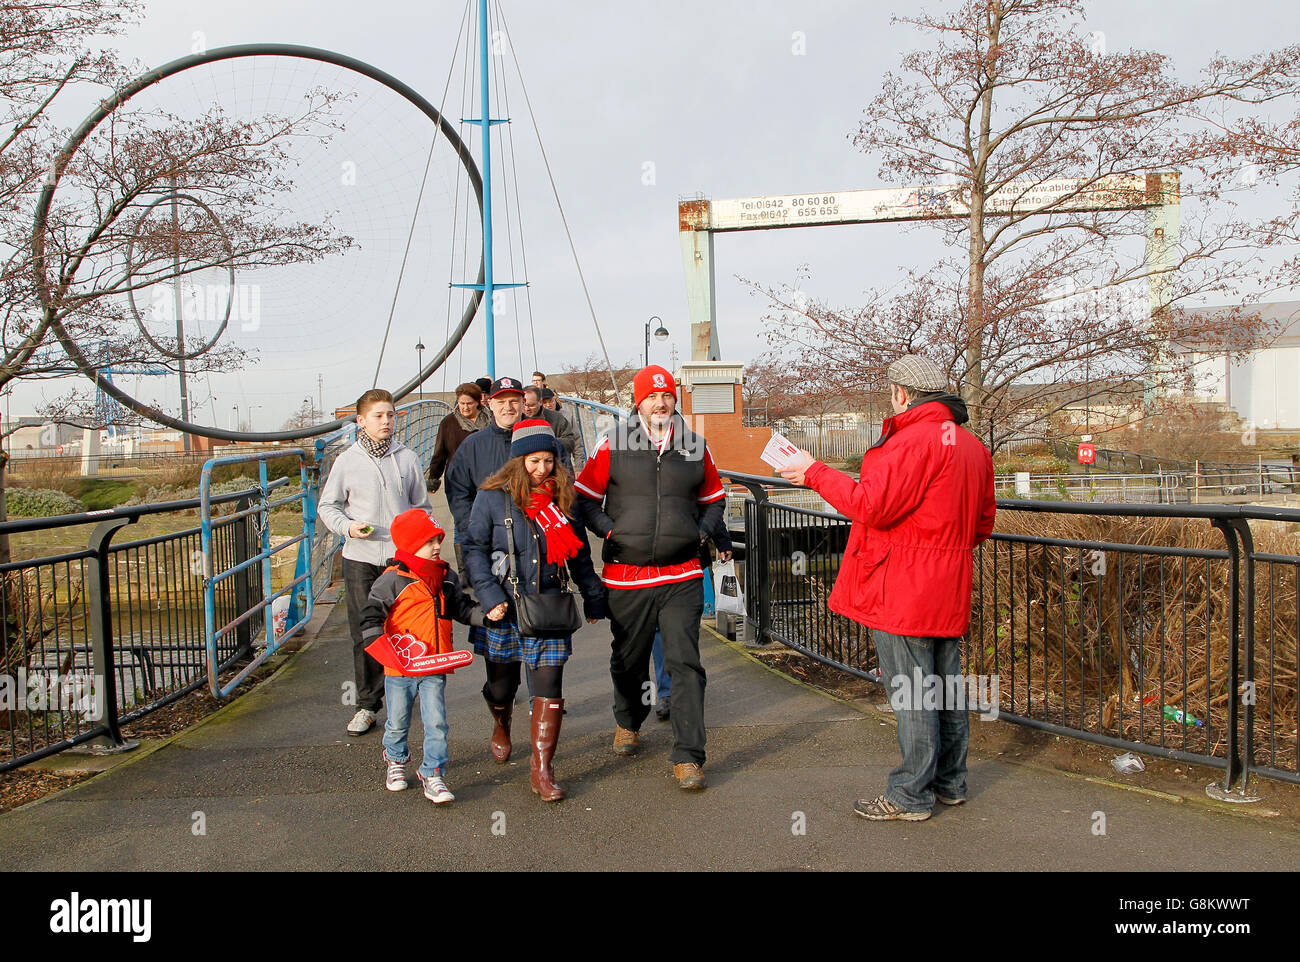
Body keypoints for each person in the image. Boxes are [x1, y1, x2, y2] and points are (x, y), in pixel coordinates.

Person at [778, 354, 996, 822]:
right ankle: (949, 784)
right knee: (944, 688)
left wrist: (813, 472)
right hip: (948, 584)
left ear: (901, 394)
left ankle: (908, 796)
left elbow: (869, 506)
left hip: (903, 587)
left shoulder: (909, 442)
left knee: (912, 691)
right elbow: (982, 525)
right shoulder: (971, 446)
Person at [575, 365, 725, 790]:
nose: (661, 403)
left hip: (682, 575)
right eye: (652, 397)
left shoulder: (696, 446)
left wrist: (700, 532)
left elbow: (715, 499)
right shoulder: (614, 442)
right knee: (628, 659)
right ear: (638, 402)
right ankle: (628, 719)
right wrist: (609, 530)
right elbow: (584, 498)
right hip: (628, 576)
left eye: (668, 397)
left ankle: (689, 756)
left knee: (685, 665)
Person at [463, 419, 606, 801]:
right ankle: (501, 722)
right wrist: (489, 595)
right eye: (534, 461)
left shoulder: (564, 498)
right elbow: (473, 549)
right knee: (502, 685)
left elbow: (579, 556)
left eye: (548, 461)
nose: (542, 469)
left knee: (549, 689)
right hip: (504, 609)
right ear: (518, 461)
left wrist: (593, 598)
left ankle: (542, 768)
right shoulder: (492, 497)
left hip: (548, 607)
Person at [319, 388, 432, 736]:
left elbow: (422, 508)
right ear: (361, 421)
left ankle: (405, 694)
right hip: (361, 558)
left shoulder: (408, 458)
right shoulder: (347, 461)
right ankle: (367, 705)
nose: (387, 422)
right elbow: (328, 506)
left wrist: (424, 540)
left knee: (406, 629)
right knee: (365, 632)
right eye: (379, 416)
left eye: (391, 415)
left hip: (400, 561)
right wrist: (348, 527)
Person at [358, 509, 489, 804]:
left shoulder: (445, 576)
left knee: (437, 722)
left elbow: (462, 608)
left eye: (438, 540)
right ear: (409, 544)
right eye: (429, 541)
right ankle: (395, 760)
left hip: (434, 664)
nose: (436, 546)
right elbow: (370, 617)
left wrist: (487, 616)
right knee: (398, 721)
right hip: (400, 666)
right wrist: (383, 651)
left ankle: (433, 772)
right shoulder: (391, 580)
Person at [652, 514, 732, 721]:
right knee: (659, 630)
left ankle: (683, 689)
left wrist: (722, 540)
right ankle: (667, 692)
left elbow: (709, 503)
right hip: (654, 563)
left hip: (691, 562)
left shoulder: (694, 480)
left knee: (685, 630)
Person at [426, 382, 489, 494]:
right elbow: (440, 453)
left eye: (469, 403)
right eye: (462, 403)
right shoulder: (448, 422)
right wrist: (433, 478)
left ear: (478, 402)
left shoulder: (492, 420)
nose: (465, 407)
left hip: (487, 477)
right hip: (458, 481)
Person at [523, 385, 579, 458]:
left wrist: (549, 442)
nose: (527, 409)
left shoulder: (557, 418)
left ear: (540, 402)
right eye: (524, 405)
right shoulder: (515, 419)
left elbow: (571, 442)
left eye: (531, 405)